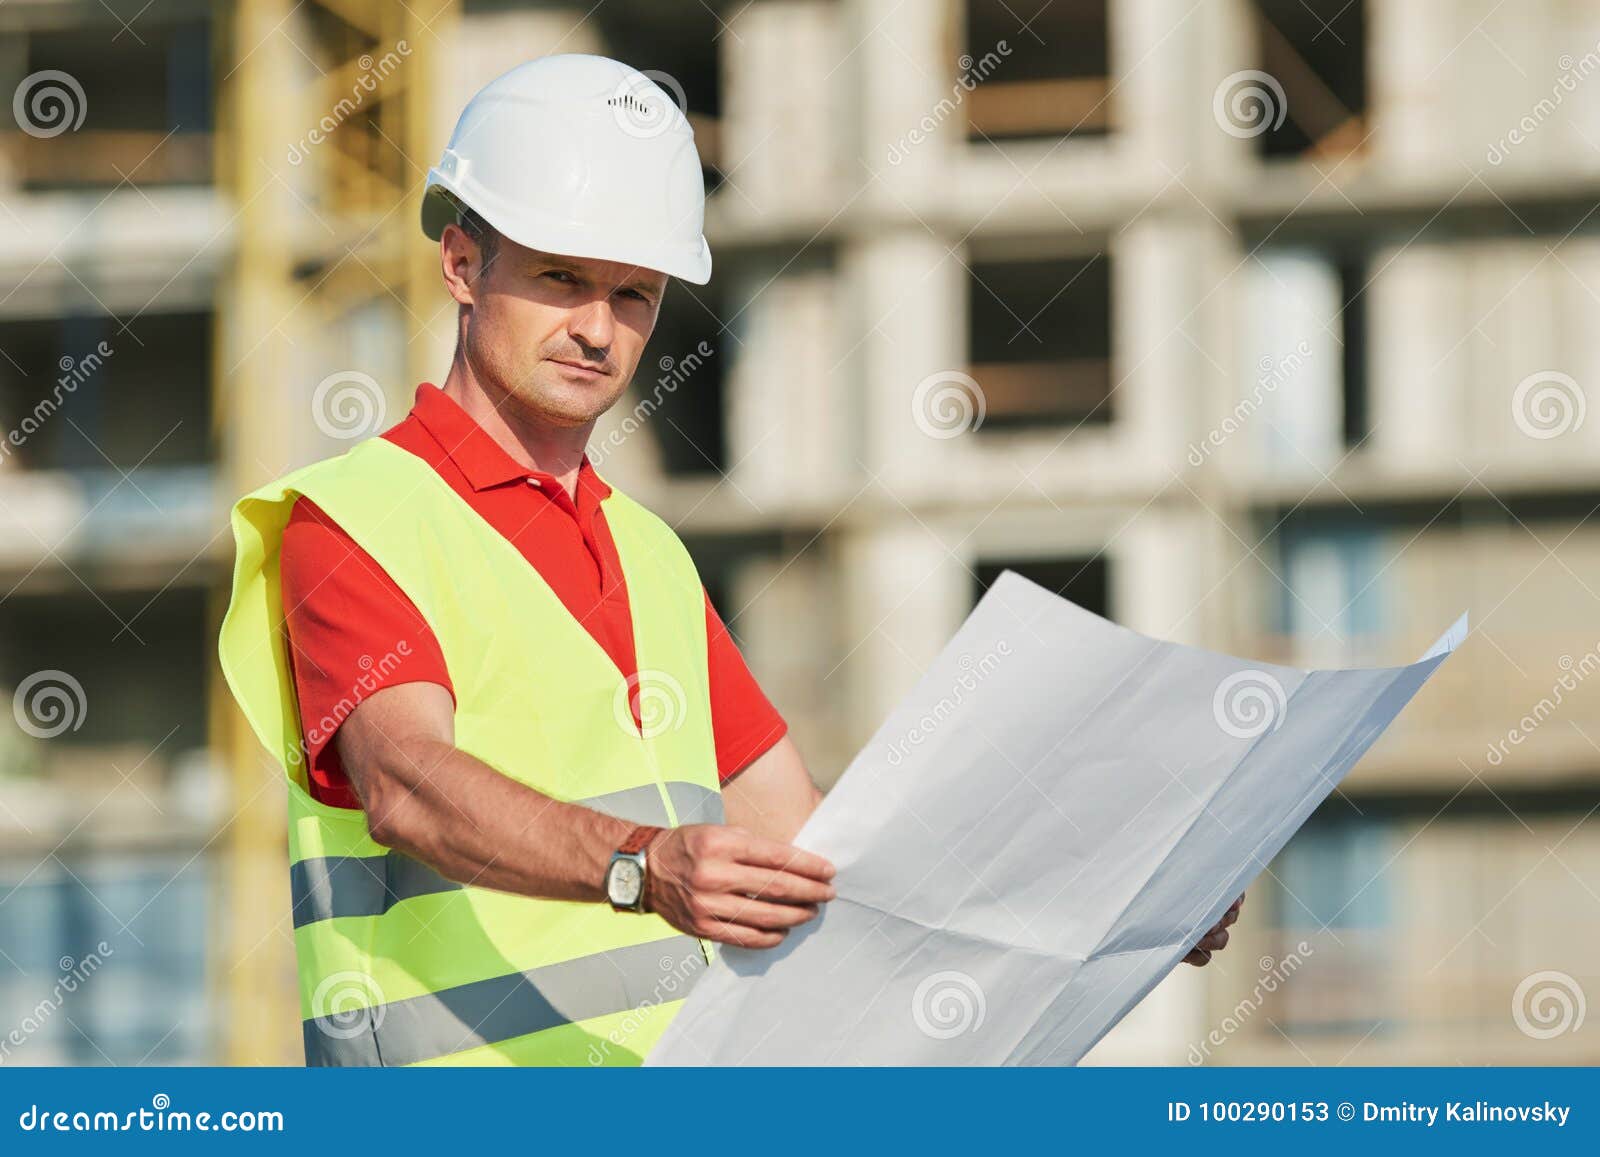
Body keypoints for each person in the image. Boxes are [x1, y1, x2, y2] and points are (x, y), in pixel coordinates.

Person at [217, 53, 1238, 1068]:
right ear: (461, 266)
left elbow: (822, 858)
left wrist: (1102, 903)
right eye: (560, 277)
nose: (596, 328)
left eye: (634, 294)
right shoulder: (353, 518)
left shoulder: (649, 552)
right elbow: (406, 784)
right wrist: (641, 867)